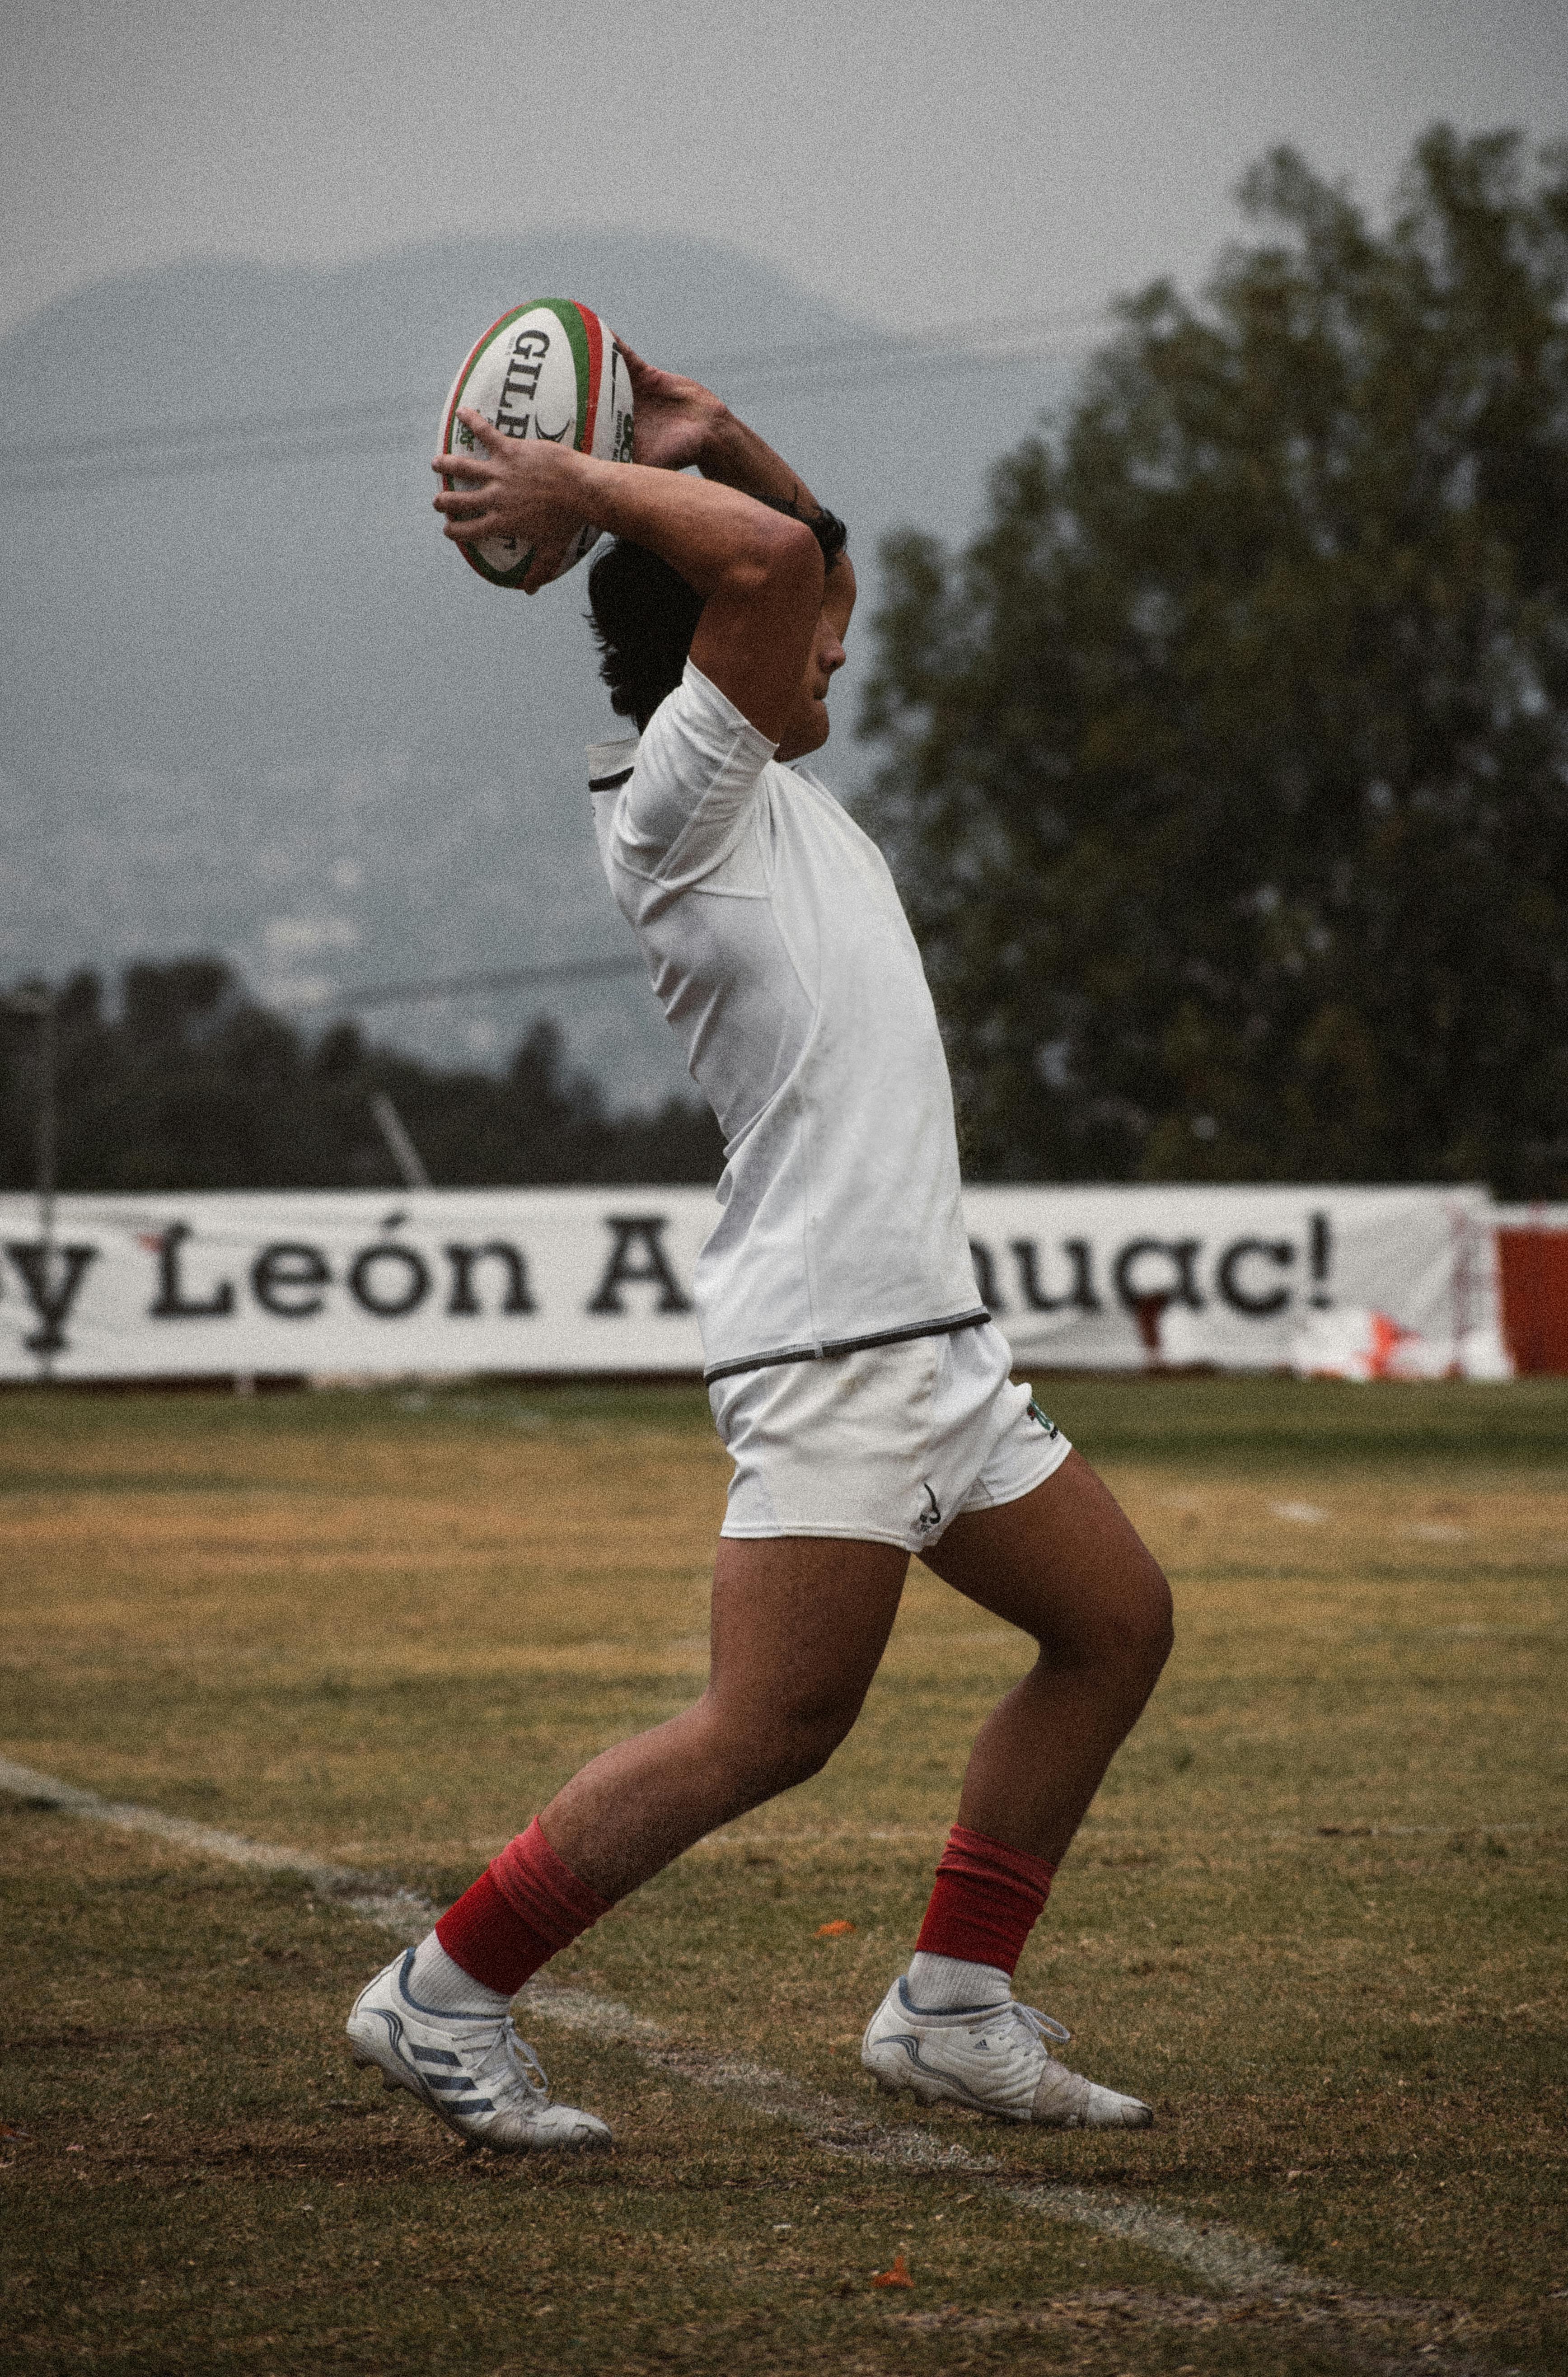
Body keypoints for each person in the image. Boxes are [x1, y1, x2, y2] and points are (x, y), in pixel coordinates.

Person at [345, 346, 1174, 2154]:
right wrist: (586, 491)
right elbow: (779, 575)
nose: (838, 651)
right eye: (801, 634)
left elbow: (805, 556)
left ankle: (954, 2008)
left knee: (1113, 1625)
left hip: (926, 1343)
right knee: (767, 1724)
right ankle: (446, 1987)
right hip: (834, 1345)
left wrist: (704, 428)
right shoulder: (675, 801)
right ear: (718, 640)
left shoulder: (758, 766)